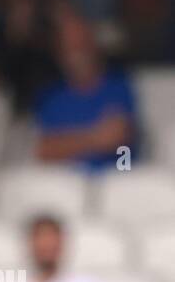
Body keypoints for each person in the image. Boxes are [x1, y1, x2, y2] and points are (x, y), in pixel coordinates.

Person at [34, 10, 138, 171]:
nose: (78, 53)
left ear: (94, 45)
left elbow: (118, 137)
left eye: (82, 44)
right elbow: (45, 150)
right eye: (70, 47)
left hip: (117, 183)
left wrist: (68, 143)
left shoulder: (118, 86)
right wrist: (95, 137)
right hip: (65, 188)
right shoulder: (50, 98)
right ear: (59, 54)